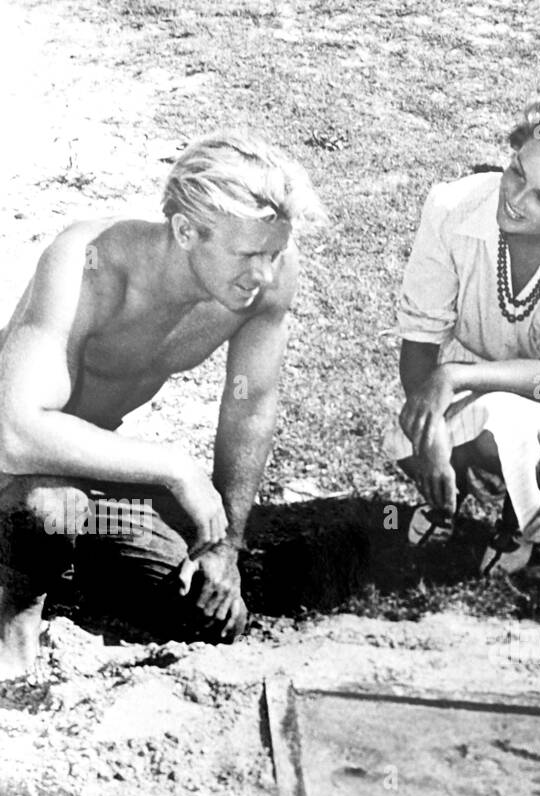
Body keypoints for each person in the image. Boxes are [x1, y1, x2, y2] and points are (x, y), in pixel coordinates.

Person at [0, 132, 323, 678]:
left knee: (208, 617)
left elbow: (250, 407)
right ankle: (14, 622)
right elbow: (15, 434)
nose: (264, 274)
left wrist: (227, 546)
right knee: (47, 511)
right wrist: (177, 469)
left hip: (90, 472)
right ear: (185, 231)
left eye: (274, 253)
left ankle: (69, 574)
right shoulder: (90, 262)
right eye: (248, 254)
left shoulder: (264, 280)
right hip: (17, 474)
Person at [386, 97, 540, 575]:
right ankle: (449, 495)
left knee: (496, 426)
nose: (516, 198)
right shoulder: (453, 205)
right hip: (461, 376)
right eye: (517, 172)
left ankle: (522, 519)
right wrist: (433, 435)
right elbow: (420, 339)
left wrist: (455, 377)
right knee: (407, 436)